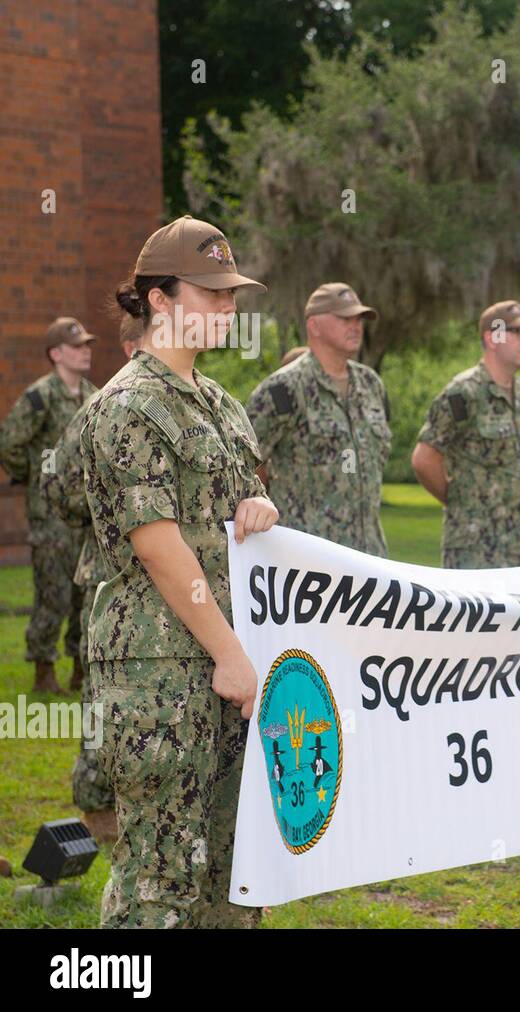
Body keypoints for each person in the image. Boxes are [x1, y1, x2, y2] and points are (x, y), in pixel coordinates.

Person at [80, 214, 278, 928]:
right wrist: (231, 657)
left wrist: (258, 508)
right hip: (162, 673)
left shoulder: (221, 406)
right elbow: (160, 547)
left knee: (236, 870)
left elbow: (222, 516)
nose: (228, 309)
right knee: (161, 878)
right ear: (159, 299)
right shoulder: (131, 406)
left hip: (229, 666)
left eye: (232, 295)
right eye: (212, 293)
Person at [43, 314, 145, 843]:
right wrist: (106, 508)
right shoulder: (95, 411)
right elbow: (55, 486)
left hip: (167, 582)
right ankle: (97, 807)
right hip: (106, 575)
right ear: (132, 347)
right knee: (101, 694)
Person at [245, 282, 390, 557]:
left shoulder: (371, 385)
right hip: (309, 561)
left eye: (359, 319)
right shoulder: (284, 389)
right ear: (314, 325)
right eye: (345, 318)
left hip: (371, 560)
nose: (356, 325)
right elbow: (246, 468)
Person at [0, 317, 98, 693]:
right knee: (52, 592)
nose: (85, 351)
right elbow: (9, 441)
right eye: (77, 346)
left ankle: (79, 666)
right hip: (49, 517)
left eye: (88, 345)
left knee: (81, 593)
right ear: (55, 353)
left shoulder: (92, 394)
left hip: (83, 514)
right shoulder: (40, 396)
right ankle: (43, 668)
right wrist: (36, 477)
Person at [411, 300, 520, 568]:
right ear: (492, 337)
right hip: (478, 551)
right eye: (517, 332)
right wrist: (461, 500)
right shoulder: (464, 393)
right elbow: (424, 458)